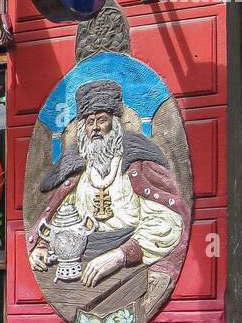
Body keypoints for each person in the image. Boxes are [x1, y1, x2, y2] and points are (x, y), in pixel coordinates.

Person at [28, 80, 187, 297]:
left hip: (129, 269)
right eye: (90, 122)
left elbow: (166, 222)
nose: (95, 128)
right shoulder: (77, 176)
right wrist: (43, 246)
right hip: (80, 270)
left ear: (115, 123)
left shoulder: (137, 168)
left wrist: (120, 255)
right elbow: (60, 219)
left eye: (102, 120)